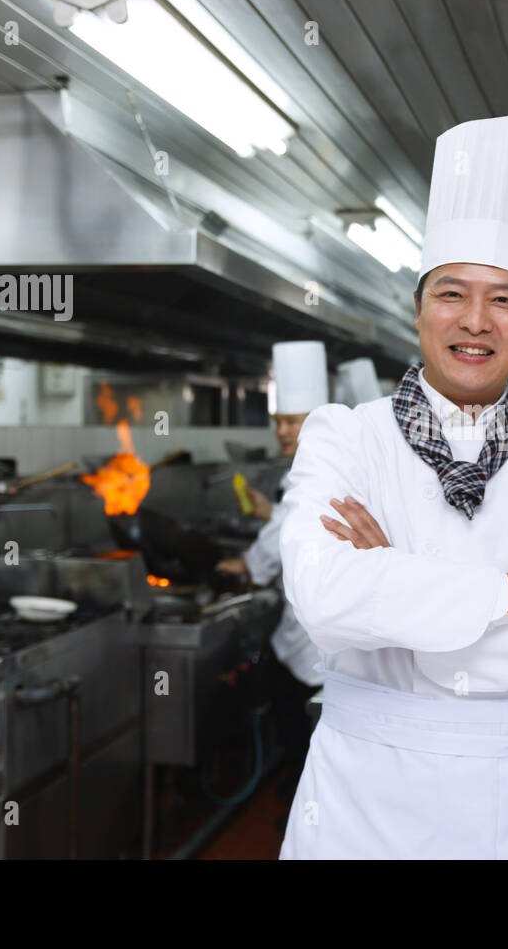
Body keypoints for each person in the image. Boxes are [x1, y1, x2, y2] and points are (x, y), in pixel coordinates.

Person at [276, 116, 508, 859]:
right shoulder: (345, 435)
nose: (474, 320)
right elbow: (325, 597)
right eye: (451, 293)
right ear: (417, 309)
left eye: (503, 299)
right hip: (363, 807)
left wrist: (402, 606)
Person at [216, 341, 329, 803]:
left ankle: (296, 818)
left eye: (291, 421)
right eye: (278, 421)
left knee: (301, 743)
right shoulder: (309, 469)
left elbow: (264, 560)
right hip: (309, 640)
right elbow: (293, 525)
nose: (281, 431)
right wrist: (270, 517)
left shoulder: (315, 471)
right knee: (300, 744)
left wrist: (236, 566)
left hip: (311, 646)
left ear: (316, 421)